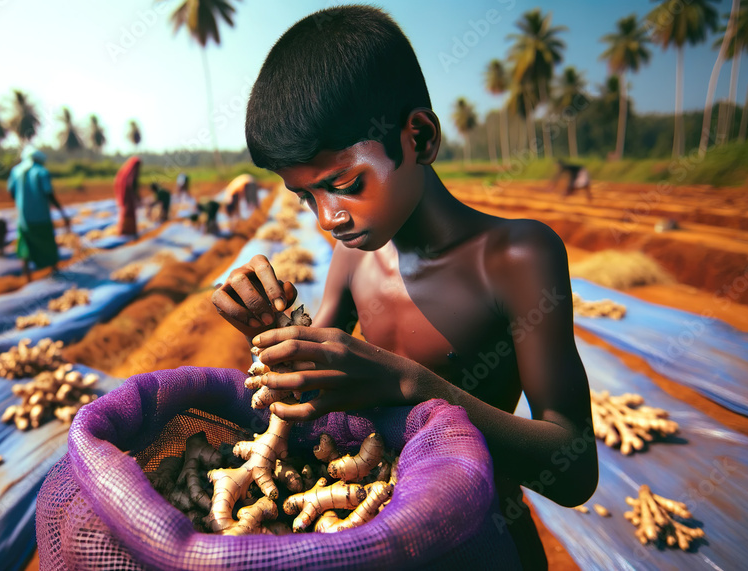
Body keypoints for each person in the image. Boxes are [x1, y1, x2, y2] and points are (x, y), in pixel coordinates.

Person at [211, 7, 597, 568]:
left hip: (479, 533)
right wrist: (273, 328)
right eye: (306, 198)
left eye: (344, 185)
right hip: (371, 525)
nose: (327, 218)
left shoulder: (516, 258)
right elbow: (317, 381)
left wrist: (408, 385)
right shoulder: (352, 256)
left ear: (418, 136)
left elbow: (575, 467)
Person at [8, 146, 70, 281]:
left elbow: (11, 192)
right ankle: (55, 274)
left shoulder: (16, 171)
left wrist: (21, 202)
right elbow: (49, 194)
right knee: (47, 245)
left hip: (23, 218)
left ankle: (26, 277)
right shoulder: (42, 172)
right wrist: (63, 213)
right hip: (41, 216)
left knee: (25, 245)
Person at [114, 156, 141, 237]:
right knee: (128, 213)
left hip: (127, 198)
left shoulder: (126, 172)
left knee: (127, 213)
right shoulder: (131, 174)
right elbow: (130, 184)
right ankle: (127, 232)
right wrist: (136, 196)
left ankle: (127, 231)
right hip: (128, 199)